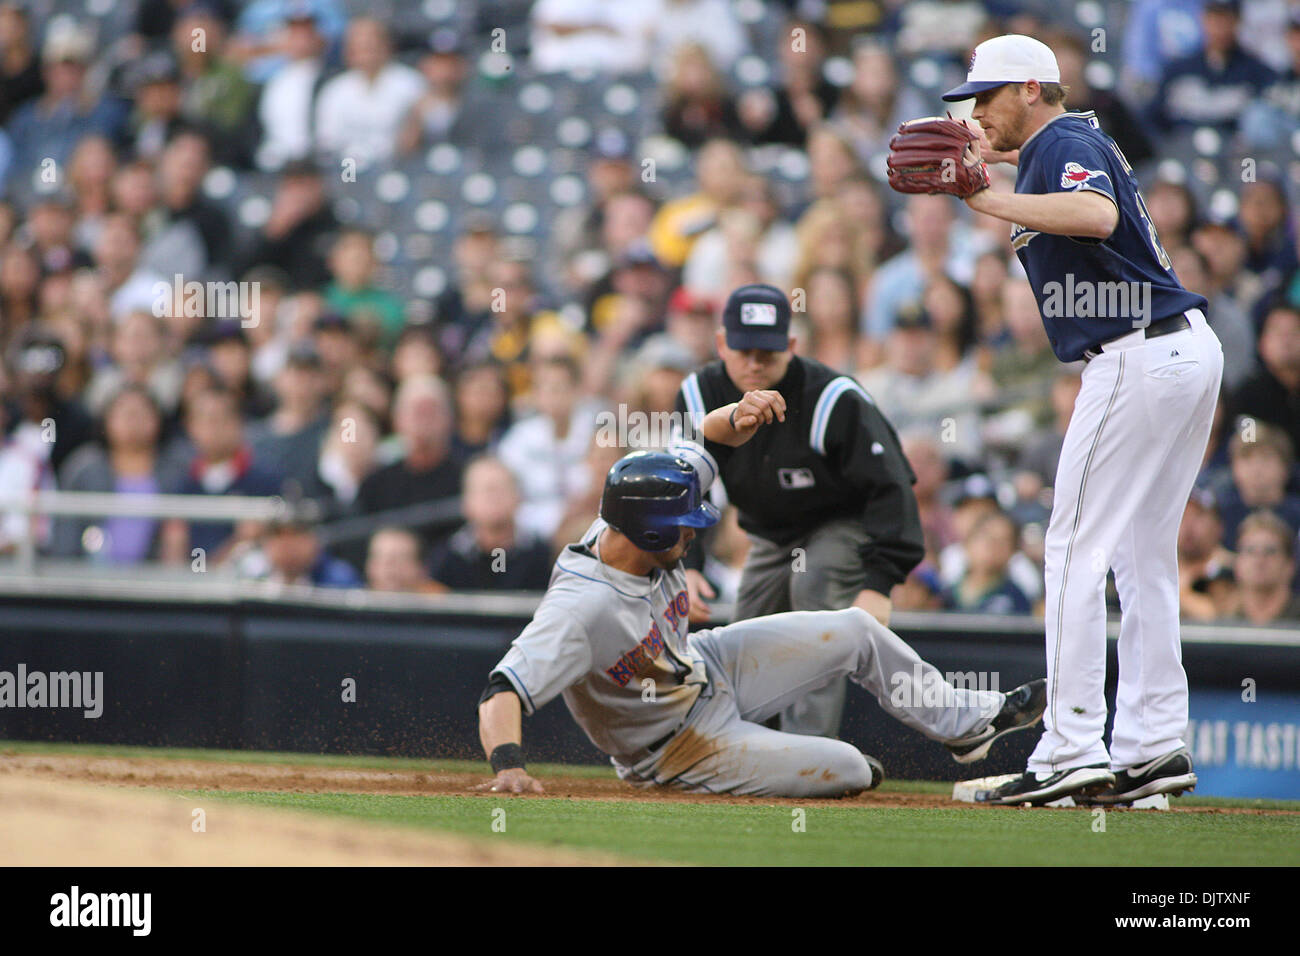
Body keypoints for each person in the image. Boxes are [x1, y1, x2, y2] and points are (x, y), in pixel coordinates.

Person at [943, 34, 1224, 806]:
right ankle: (1152, 747)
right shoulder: (1062, 141)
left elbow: (1094, 215)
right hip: (1179, 349)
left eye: (988, 96)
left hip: (1136, 353)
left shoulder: (1063, 138)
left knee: (1070, 547)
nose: (975, 112)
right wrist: (991, 160)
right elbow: (1072, 190)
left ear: (1031, 87)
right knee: (1142, 557)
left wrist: (988, 196)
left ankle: (1070, 748)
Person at [474, 444, 1046, 797]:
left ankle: (964, 725)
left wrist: (732, 415)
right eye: (682, 523)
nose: (694, 530)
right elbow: (501, 690)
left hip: (710, 663)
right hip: (674, 748)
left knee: (854, 628)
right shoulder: (581, 607)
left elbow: (699, 450)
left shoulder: (629, 529)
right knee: (850, 770)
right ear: (647, 532)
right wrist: (508, 767)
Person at [674, 284, 924, 739]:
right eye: (743, 350)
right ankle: (735, 744)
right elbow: (688, 485)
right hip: (770, 535)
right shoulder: (698, 395)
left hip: (841, 524)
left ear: (791, 346)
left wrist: (879, 583)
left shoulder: (833, 397)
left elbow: (892, 485)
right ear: (720, 344)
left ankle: (810, 751)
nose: (754, 364)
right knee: (743, 633)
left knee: (815, 586)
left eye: (766, 353)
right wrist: (685, 565)